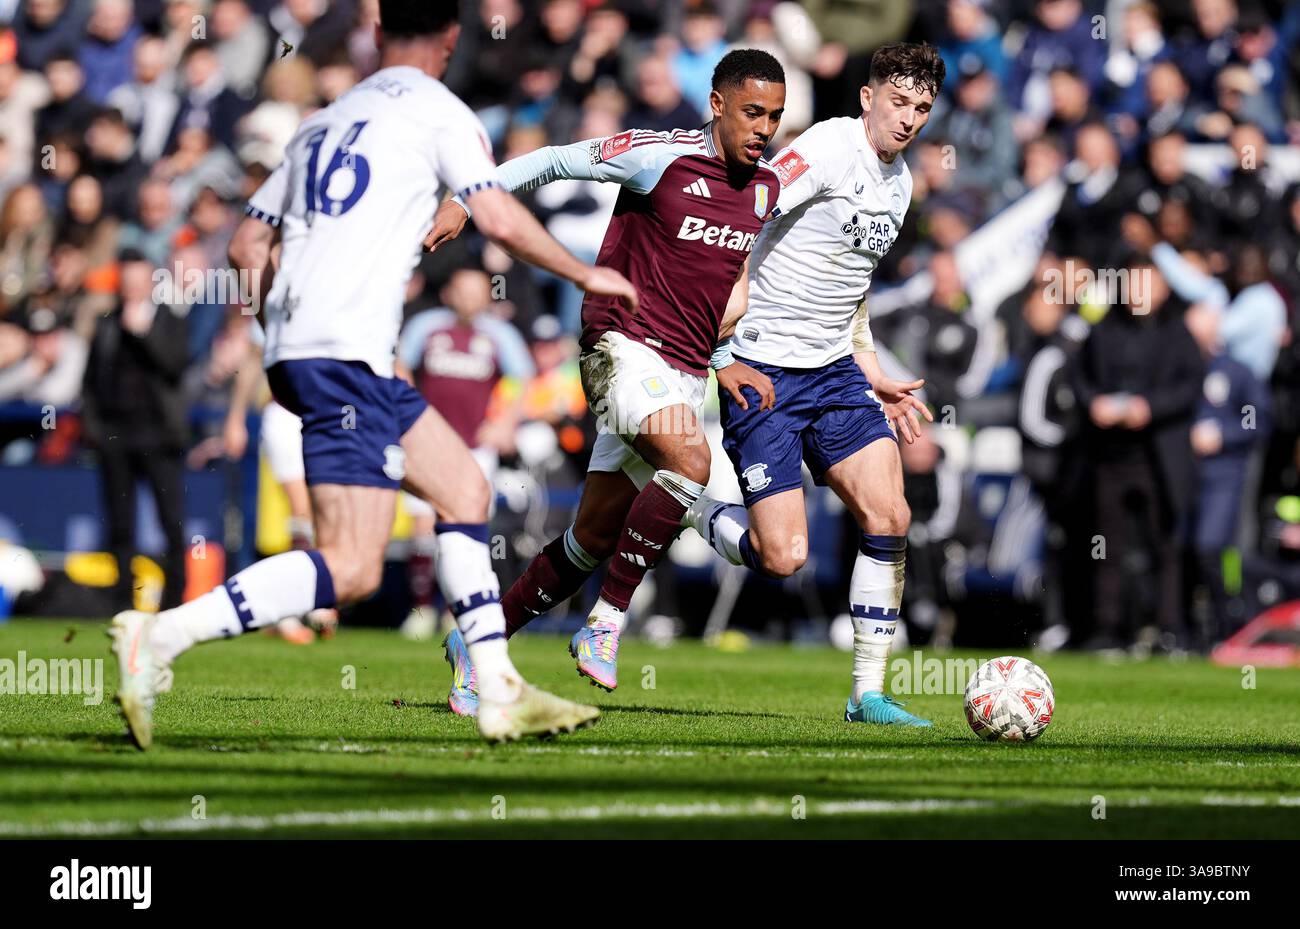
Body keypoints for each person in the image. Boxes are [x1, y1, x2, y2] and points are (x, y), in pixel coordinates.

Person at [108, 0, 639, 748]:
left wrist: (278, 327)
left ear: (379, 33)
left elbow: (244, 248)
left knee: (463, 488)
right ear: (452, 40)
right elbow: (499, 220)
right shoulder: (439, 112)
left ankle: (499, 688)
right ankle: (159, 637)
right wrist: (587, 273)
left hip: (313, 351)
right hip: (346, 354)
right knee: (352, 568)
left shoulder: (322, 120)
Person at [426, 48, 786, 713]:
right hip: (618, 348)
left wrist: (725, 355)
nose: (764, 128)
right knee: (692, 460)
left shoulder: (765, 189)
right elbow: (553, 159)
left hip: (680, 372)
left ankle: (479, 643)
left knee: (590, 538)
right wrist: (467, 201)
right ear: (717, 105)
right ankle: (606, 621)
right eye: (753, 112)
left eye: (775, 116)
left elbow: (729, 283)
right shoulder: (659, 154)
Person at [683, 42, 945, 727]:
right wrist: (724, 331)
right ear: (867, 96)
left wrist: (871, 369)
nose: (910, 118)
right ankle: (689, 504)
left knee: (890, 514)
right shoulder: (827, 148)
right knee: (783, 555)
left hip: (833, 373)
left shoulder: (901, 182)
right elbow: (744, 214)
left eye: (922, 107)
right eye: (899, 101)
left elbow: (850, 286)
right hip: (762, 368)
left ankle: (868, 693)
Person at [394, 267, 535, 648]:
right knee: (422, 526)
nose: (471, 298)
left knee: (467, 527)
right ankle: (420, 610)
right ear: (449, 293)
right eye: (463, 290)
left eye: (478, 291)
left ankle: (453, 611)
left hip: (475, 446)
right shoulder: (426, 326)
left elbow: (523, 378)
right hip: (428, 443)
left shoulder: (499, 334)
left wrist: (505, 423)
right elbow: (400, 367)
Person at [83, 248, 189, 613]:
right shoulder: (106, 322)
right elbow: (92, 381)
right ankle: (123, 602)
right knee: (120, 525)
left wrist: (142, 335)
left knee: (171, 522)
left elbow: (174, 366)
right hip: (116, 436)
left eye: (137, 281)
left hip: (159, 436)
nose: (130, 288)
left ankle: (176, 602)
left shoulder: (169, 320)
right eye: (125, 282)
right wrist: (95, 428)